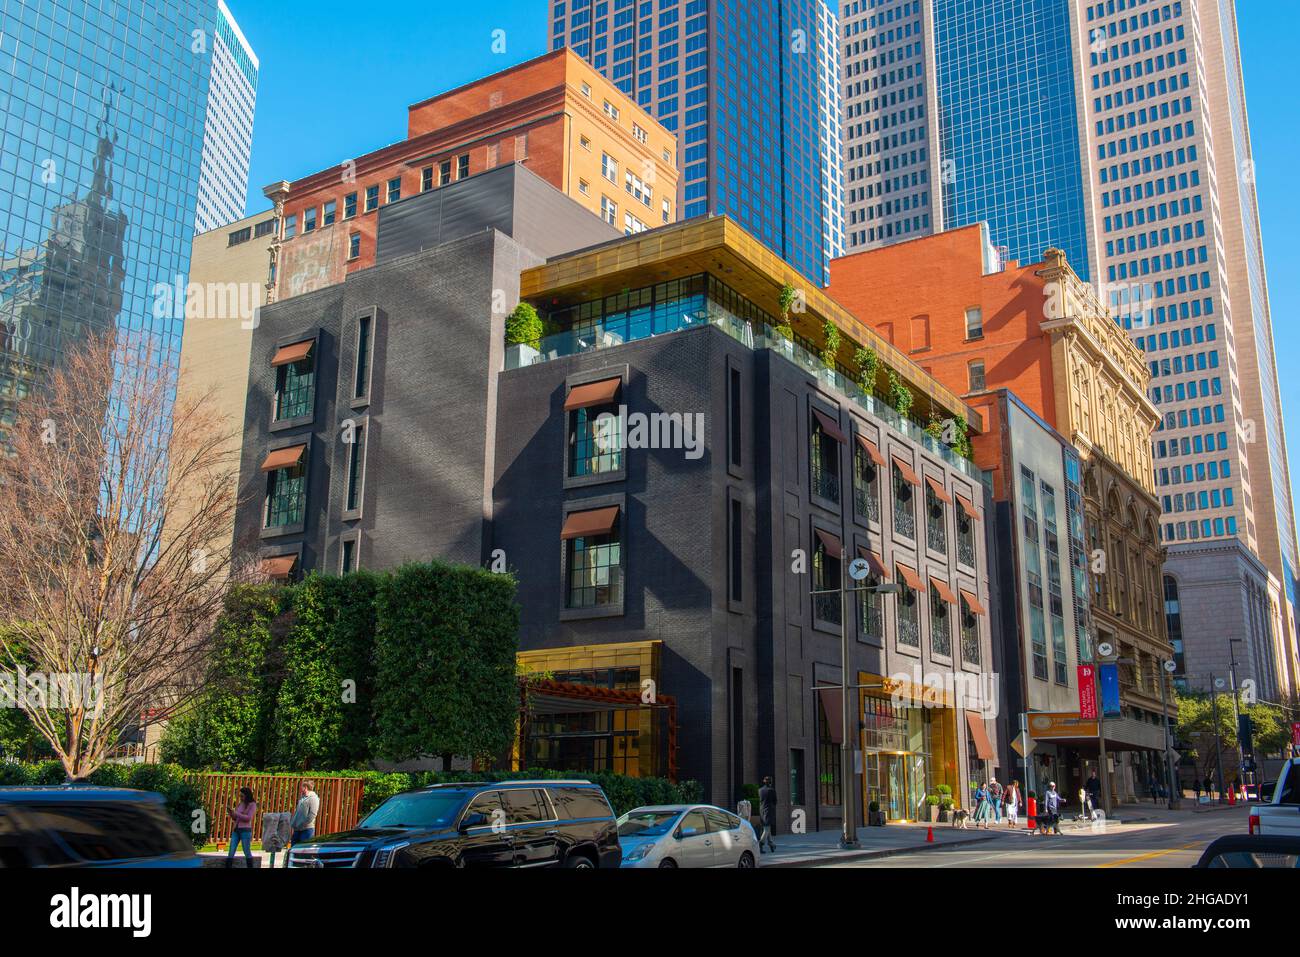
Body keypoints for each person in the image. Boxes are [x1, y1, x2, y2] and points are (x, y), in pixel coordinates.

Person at [225, 786, 257, 868]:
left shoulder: (252, 805)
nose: (241, 798)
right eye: (240, 796)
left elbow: (248, 818)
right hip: (236, 829)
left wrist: (237, 813)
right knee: (231, 850)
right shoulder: (241, 804)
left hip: (245, 830)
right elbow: (236, 818)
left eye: (242, 796)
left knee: (246, 850)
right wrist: (231, 813)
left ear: (247, 795)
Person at [290, 779, 320, 848]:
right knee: (293, 849)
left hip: (307, 830)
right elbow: (298, 812)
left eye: (302, 787)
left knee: (304, 849)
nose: (301, 788)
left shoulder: (314, 798)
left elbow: (312, 814)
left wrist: (302, 824)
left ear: (305, 787)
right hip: (298, 829)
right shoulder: (302, 798)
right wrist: (294, 823)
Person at [757, 776, 777, 853]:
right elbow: (775, 801)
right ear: (770, 782)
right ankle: (760, 844)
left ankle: (771, 843)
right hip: (769, 811)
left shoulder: (760, 790)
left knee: (767, 828)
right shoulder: (771, 790)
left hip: (762, 811)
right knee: (767, 829)